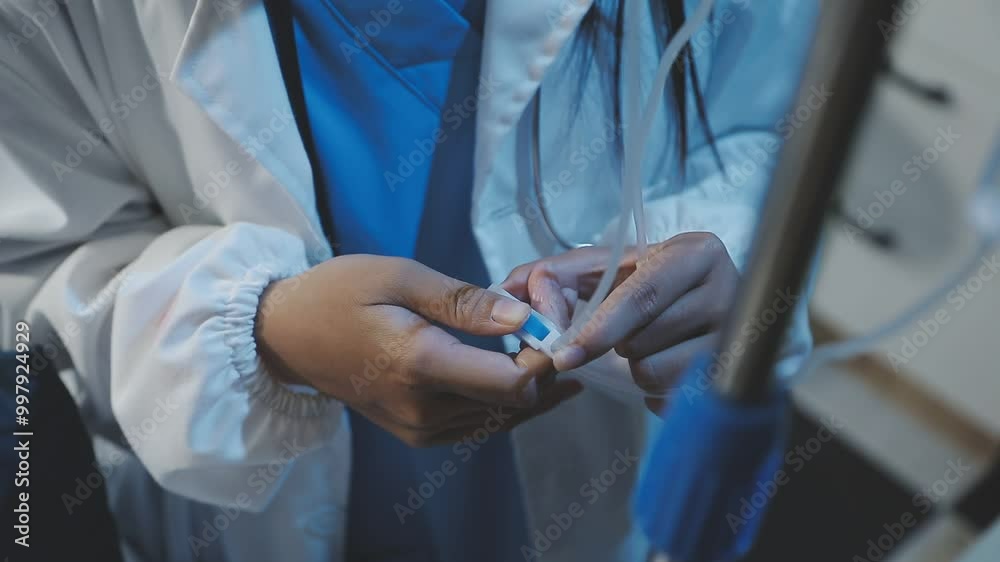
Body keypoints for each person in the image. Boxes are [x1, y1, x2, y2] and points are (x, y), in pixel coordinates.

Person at [0, 0, 817, 560]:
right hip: (233, 518)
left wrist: (729, 275)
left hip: (584, 489)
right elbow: (30, 300)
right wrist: (260, 331)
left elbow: (766, 129)